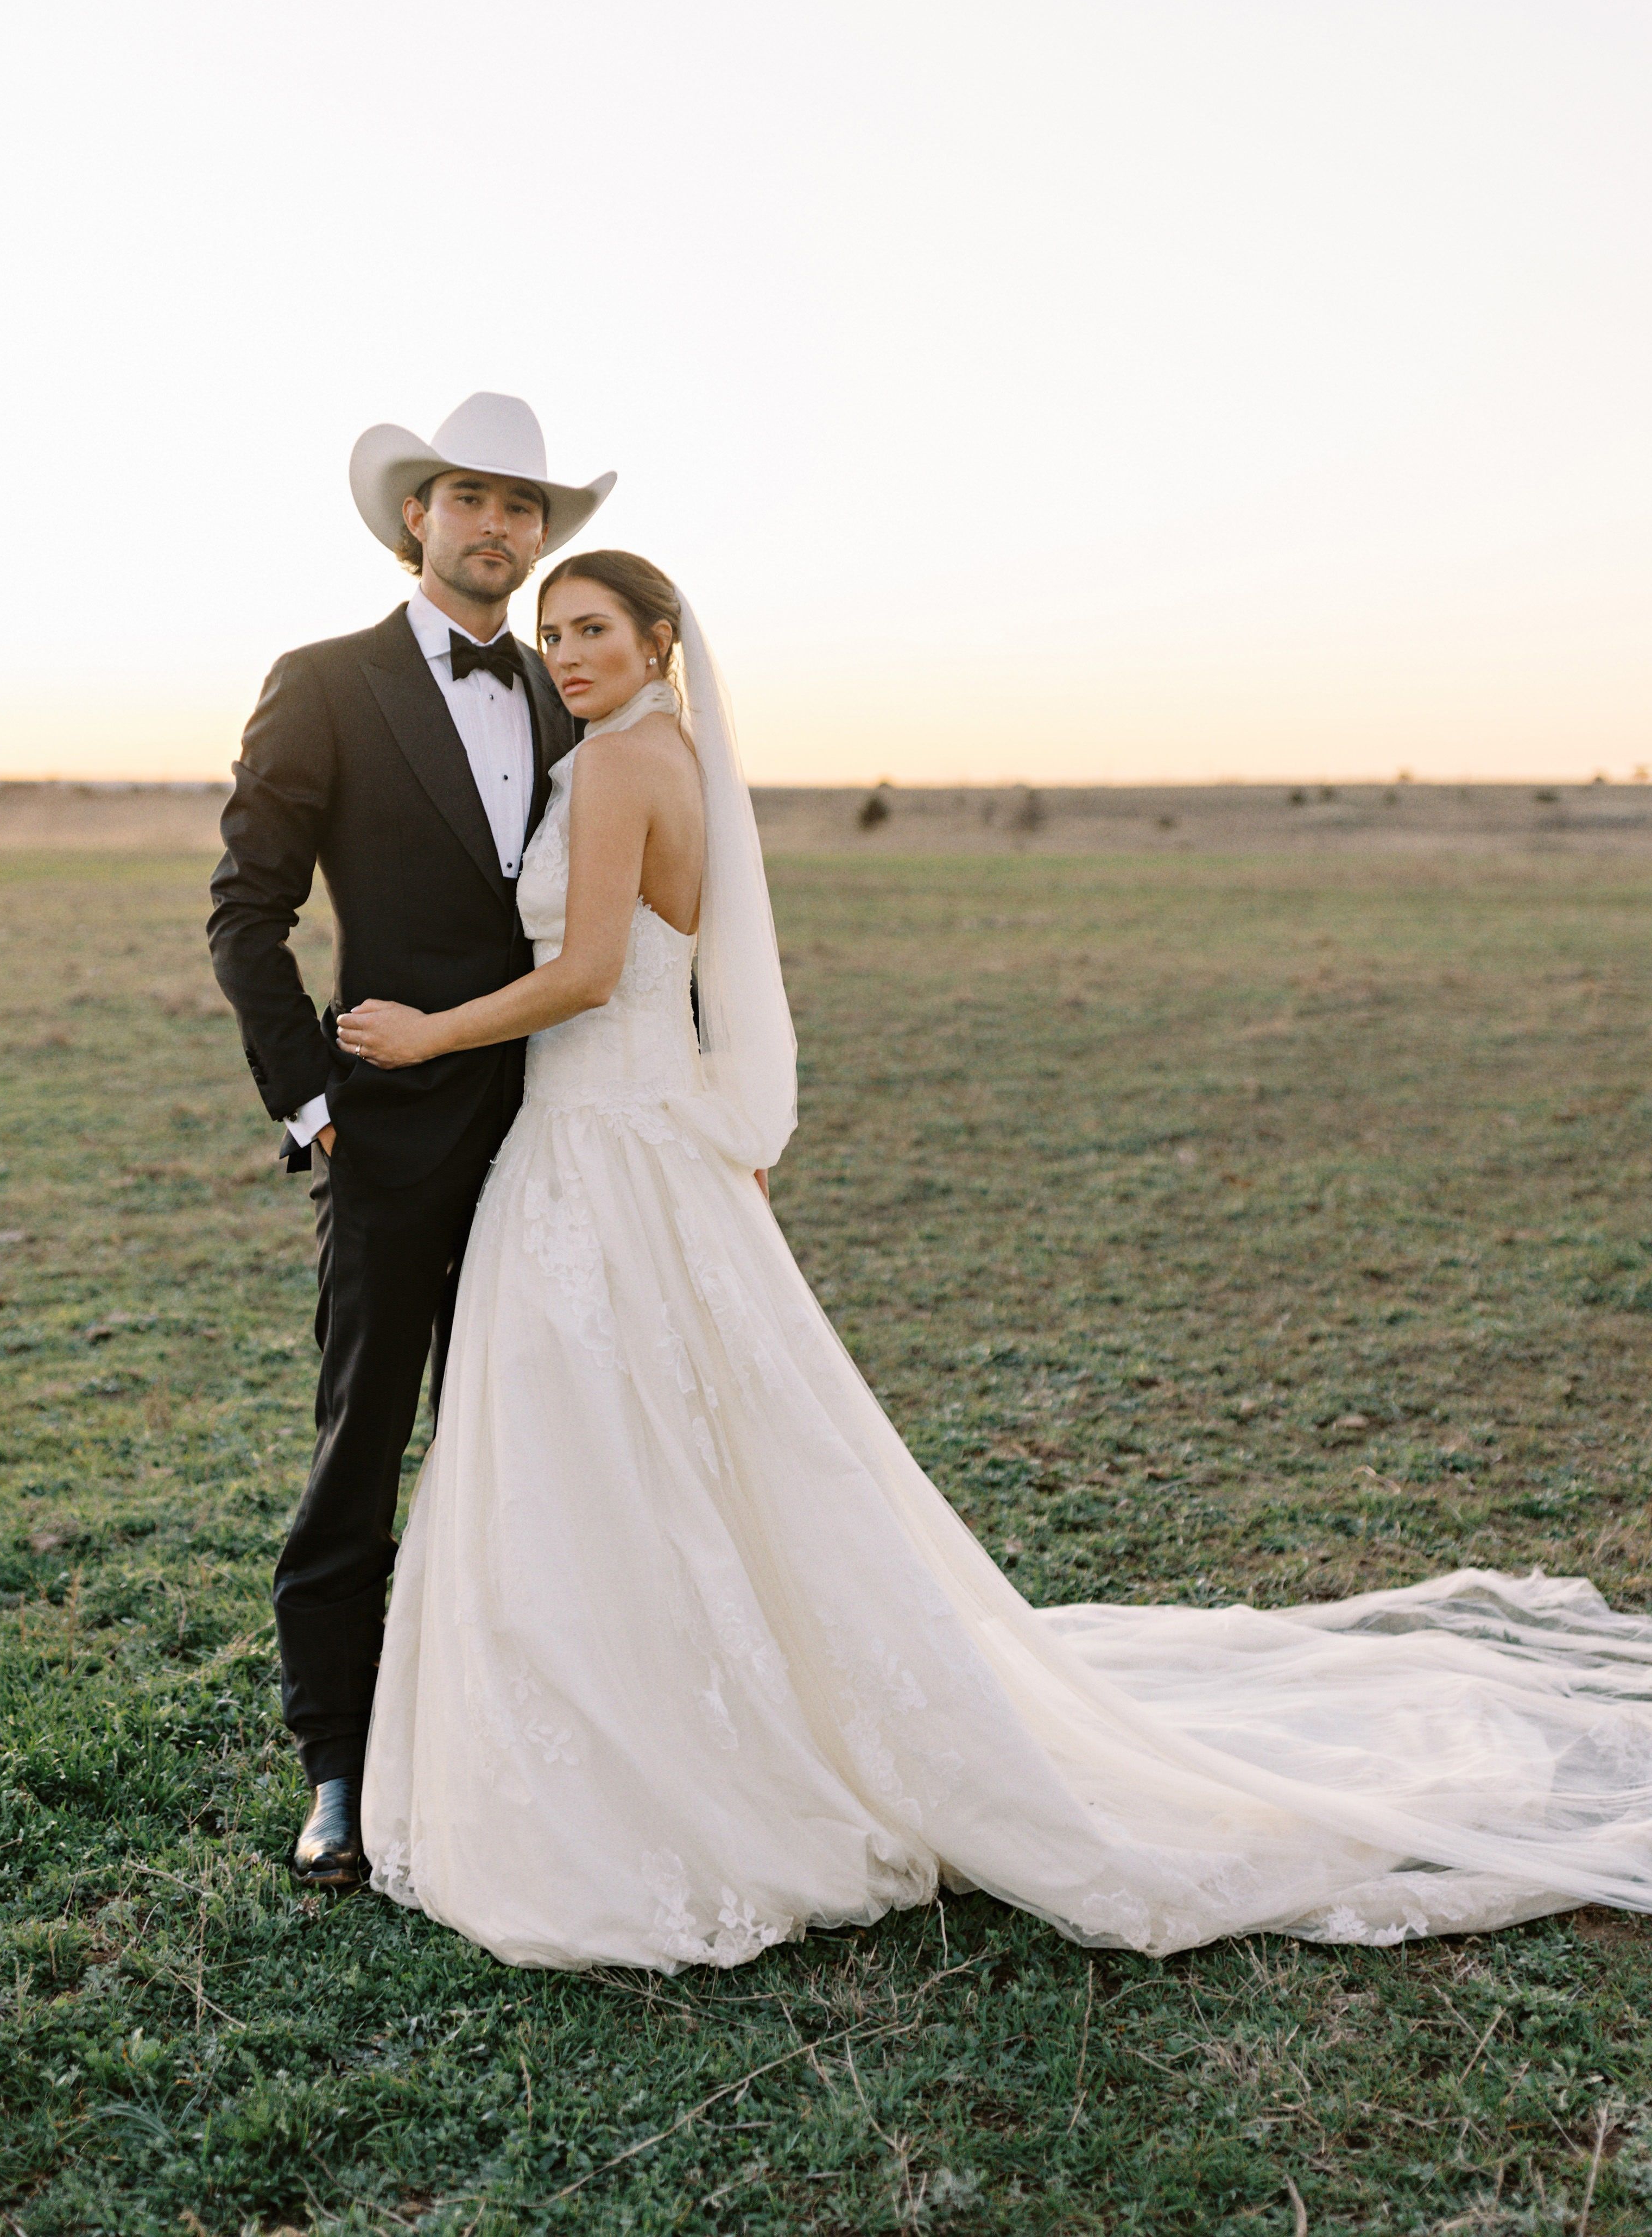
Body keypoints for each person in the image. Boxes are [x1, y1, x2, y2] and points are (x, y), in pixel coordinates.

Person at [338, 551, 1652, 1970]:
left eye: (594, 628)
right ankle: (700, 1711)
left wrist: (428, 1032)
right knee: (691, 1449)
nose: (566, 651)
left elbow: (593, 969)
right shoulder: (680, 764)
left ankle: (660, 1762)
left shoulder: (608, 773)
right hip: (651, 1144)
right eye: (552, 632)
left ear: (664, 643)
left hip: (598, 1151)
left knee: (600, 1450)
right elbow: (685, 978)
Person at [207, 392, 613, 1884]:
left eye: (526, 506)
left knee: (541, 1439)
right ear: (415, 521)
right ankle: (336, 1766)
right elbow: (245, 912)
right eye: (471, 498)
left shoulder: (579, 691)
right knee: (364, 1443)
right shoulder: (322, 683)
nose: (501, 526)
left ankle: (532, 1736)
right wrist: (313, 1104)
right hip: (386, 1138)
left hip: (566, 1129)